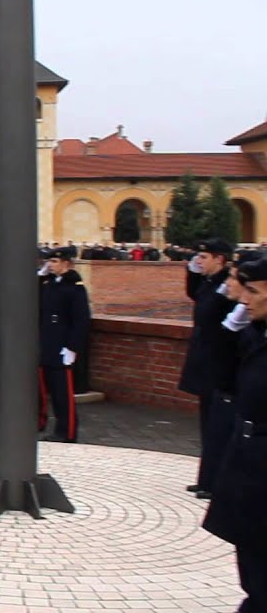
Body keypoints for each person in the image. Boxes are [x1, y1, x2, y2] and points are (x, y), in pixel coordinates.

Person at [204, 257, 267, 612]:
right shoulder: (256, 335)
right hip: (249, 465)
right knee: (253, 571)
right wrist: (231, 330)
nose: (244, 300)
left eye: (254, 292)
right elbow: (226, 381)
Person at [178, 239, 237, 497]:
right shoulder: (211, 282)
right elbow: (195, 295)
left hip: (219, 362)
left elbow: (207, 312)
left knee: (218, 426)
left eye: (203, 257)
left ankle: (216, 482)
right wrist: (191, 270)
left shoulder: (228, 284)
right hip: (204, 360)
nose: (199, 261)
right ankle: (206, 478)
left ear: (219, 259)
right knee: (206, 424)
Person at [38, 248, 91, 443]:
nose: (50, 265)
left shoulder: (75, 287)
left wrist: (72, 347)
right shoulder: (50, 283)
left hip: (62, 346)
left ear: (66, 263)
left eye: (54, 261)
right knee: (49, 390)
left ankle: (67, 431)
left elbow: (80, 321)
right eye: (49, 261)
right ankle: (54, 427)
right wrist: (40, 276)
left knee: (63, 393)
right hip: (47, 344)